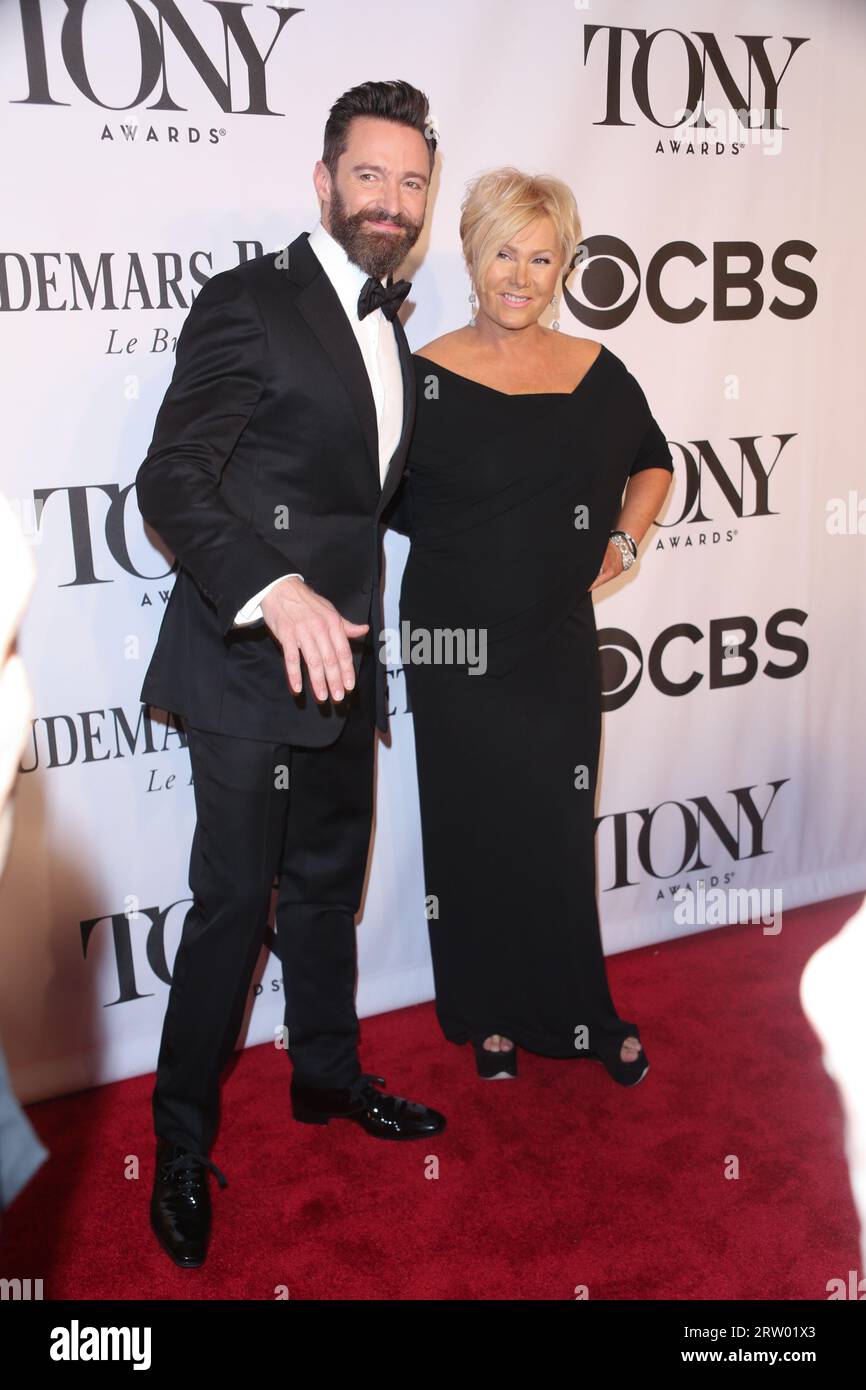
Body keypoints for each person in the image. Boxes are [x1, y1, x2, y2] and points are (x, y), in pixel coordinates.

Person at [135, 80, 445, 1270]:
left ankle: (325, 1076)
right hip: (248, 665)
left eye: (410, 181)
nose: (390, 199)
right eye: (369, 175)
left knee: (322, 891)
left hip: (345, 668)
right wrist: (275, 589)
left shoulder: (390, 323)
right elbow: (174, 479)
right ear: (322, 182)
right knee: (229, 914)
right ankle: (175, 1142)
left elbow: (364, 496)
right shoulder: (248, 302)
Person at [384, 167, 674, 1083]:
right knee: (472, 830)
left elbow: (655, 462)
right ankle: (492, 1016)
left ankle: (579, 1014)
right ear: (471, 255)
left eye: (541, 256)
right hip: (450, 640)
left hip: (552, 638)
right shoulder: (417, 375)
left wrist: (624, 544)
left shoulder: (596, 370)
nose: (521, 273)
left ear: (564, 267)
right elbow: (375, 500)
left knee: (552, 827)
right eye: (504, 250)